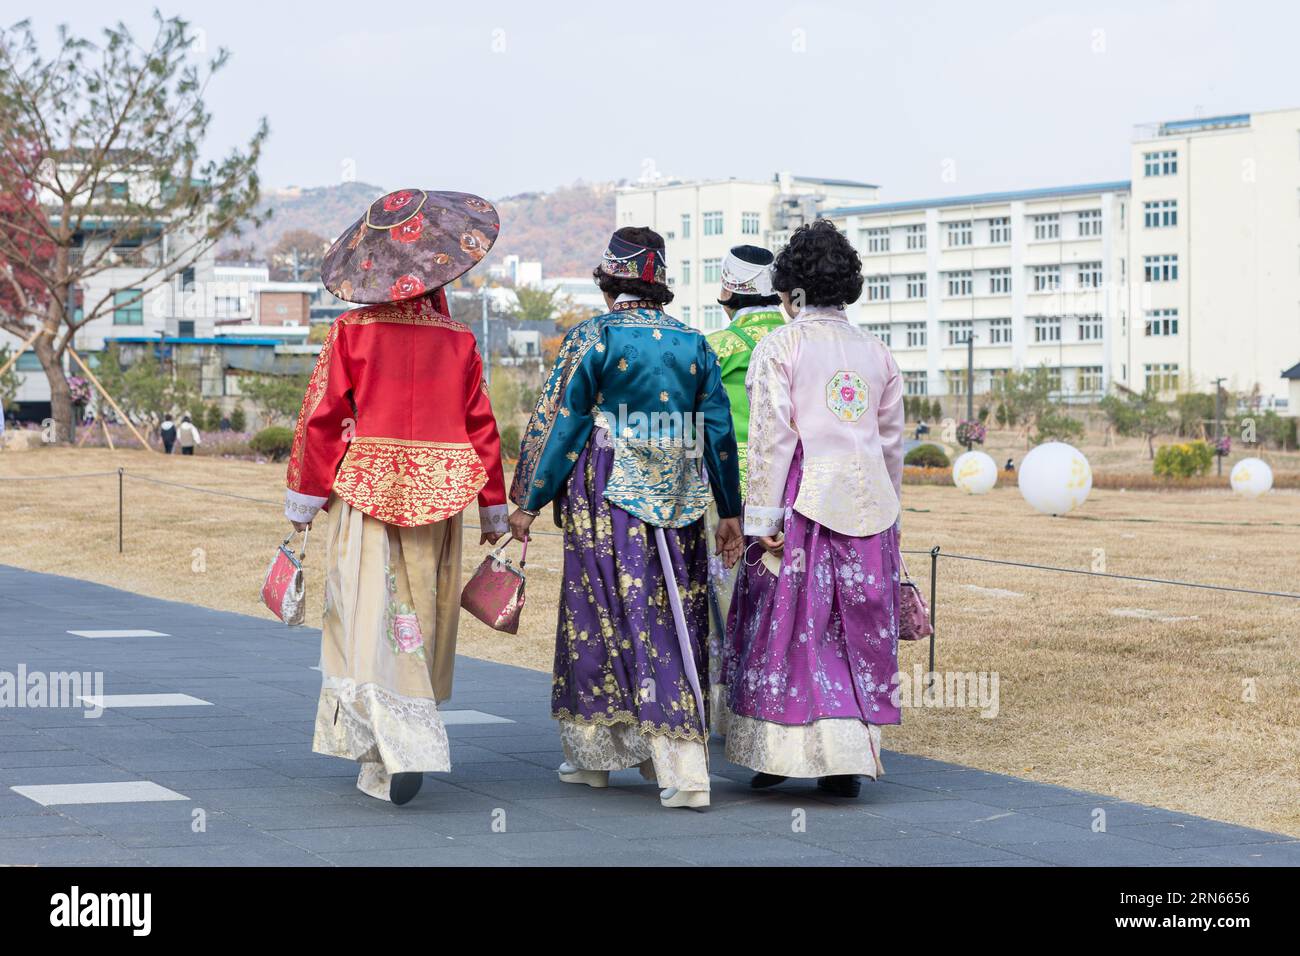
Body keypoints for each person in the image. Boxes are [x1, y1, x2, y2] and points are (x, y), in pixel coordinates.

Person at [284, 187, 507, 805]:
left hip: (368, 489)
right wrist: (494, 507)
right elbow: (480, 425)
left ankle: (387, 744)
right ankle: (406, 732)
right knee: (422, 615)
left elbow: (321, 421)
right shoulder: (459, 339)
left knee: (365, 613)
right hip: (441, 490)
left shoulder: (351, 332)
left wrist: (304, 501)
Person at [507, 226, 743, 810]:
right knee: (674, 614)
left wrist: (527, 499)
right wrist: (730, 510)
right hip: (680, 498)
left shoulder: (594, 337)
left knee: (600, 610)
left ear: (610, 281)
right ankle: (648, 756)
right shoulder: (695, 344)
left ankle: (622, 761)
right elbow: (719, 433)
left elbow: (560, 423)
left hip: (605, 492)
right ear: (658, 282)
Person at [723, 219, 904, 798]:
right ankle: (850, 758)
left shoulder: (783, 345)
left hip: (803, 503)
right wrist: (891, 514)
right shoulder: (878, 354)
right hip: (871, 507)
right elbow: (891, 446)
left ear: (789, 288)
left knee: (795, 627)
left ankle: (783, 752)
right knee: (858, 629)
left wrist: (763, 520)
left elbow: (772, 439)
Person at [703, 245, 784, 735]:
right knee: (782, 591)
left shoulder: (716, 346)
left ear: (728, 290)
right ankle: (780, 698)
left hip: (730, 482)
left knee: (725, 594)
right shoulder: (799, 339)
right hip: (794, 482)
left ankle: (726, 712)